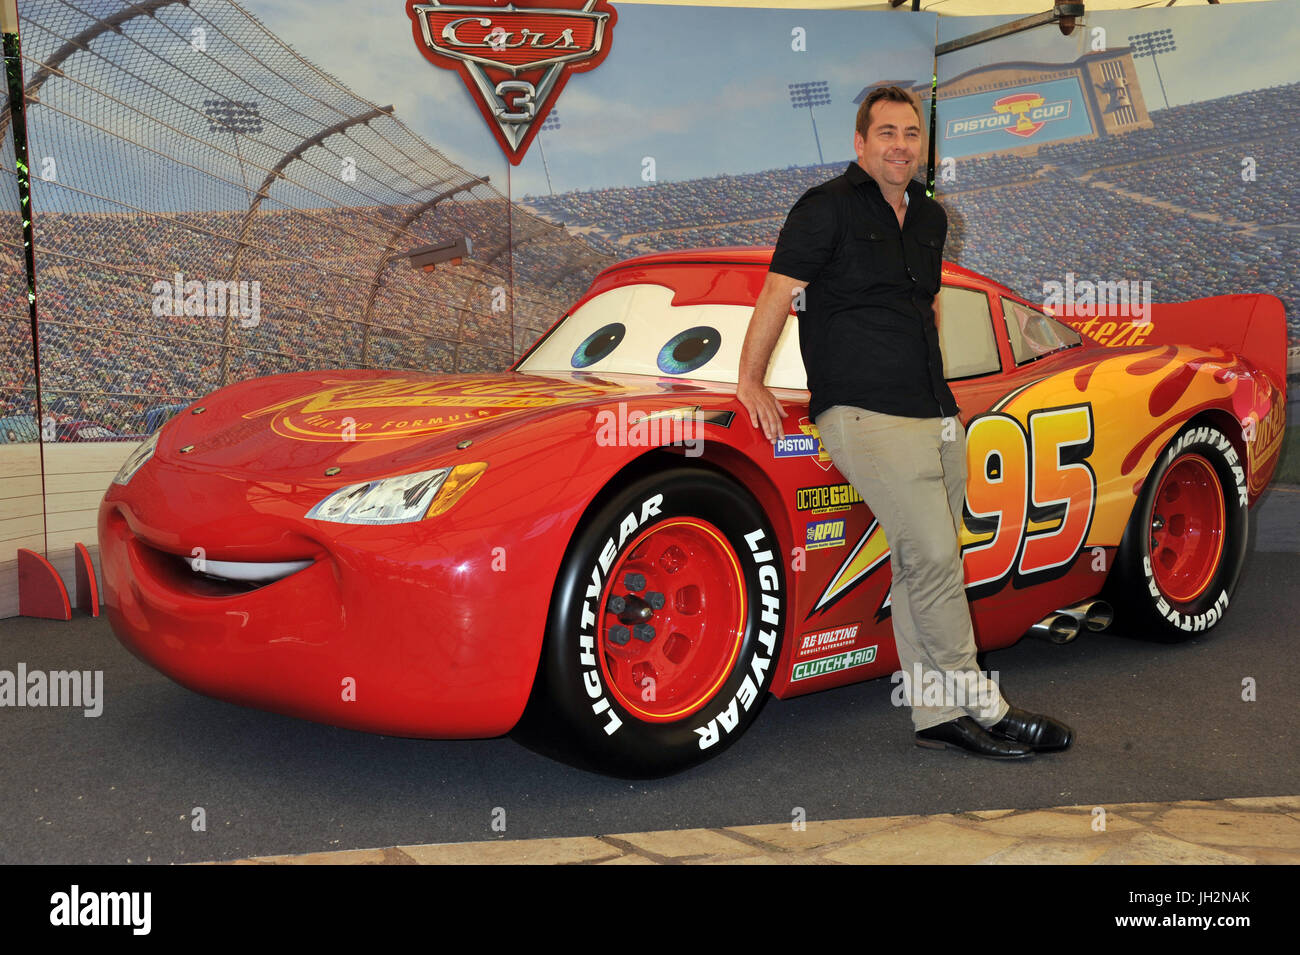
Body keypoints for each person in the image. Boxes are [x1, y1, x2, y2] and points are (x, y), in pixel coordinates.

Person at [737, 86, 1072, 760]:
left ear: (923, 146)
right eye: (886, 132)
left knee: (920, 562)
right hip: (861, 409)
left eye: (911, 134)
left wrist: (947, 396)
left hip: (935, 410)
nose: (900, 145)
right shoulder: (823, 208)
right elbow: (777, 291)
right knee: (936, 558)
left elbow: (929, 308)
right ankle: (985, 701)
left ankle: (934, 711)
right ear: (860, 143)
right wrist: (748, 379)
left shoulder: (929, 217)